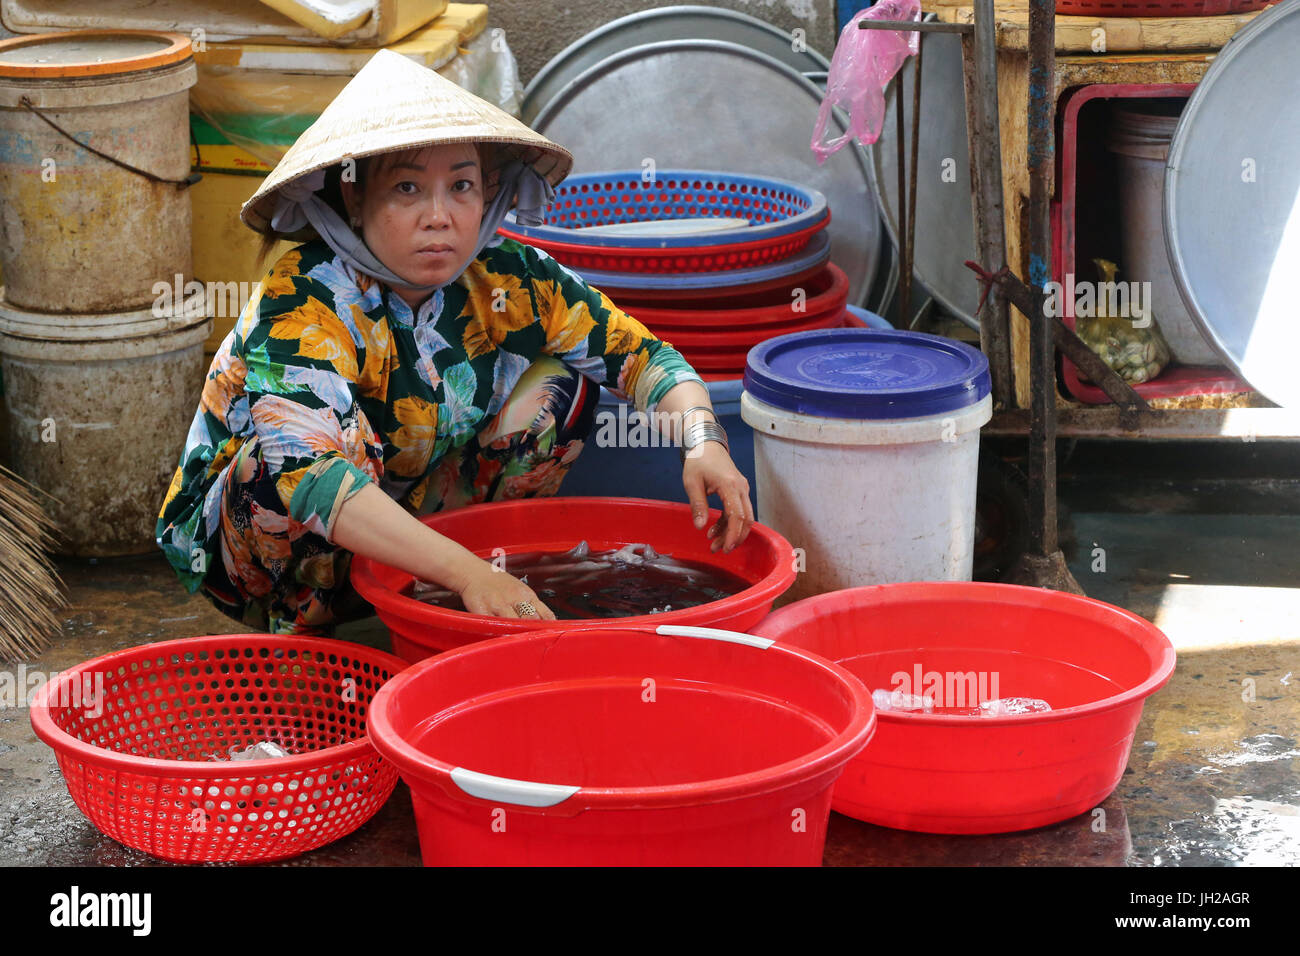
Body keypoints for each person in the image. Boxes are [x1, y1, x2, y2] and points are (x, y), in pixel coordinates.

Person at [157, 50, 754, 635]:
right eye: (408, 189)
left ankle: (450, 585)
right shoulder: (303, 295)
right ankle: (325, 622)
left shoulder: (512, 277)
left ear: (488, 196)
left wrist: (704, 440)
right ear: (355, 199)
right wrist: (468, 574)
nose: (439, 215)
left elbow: (642, 357)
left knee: (559, 390)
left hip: (416, 508)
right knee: (297, 453)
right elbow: (307, 474)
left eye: (461, 186)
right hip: (250, 557)